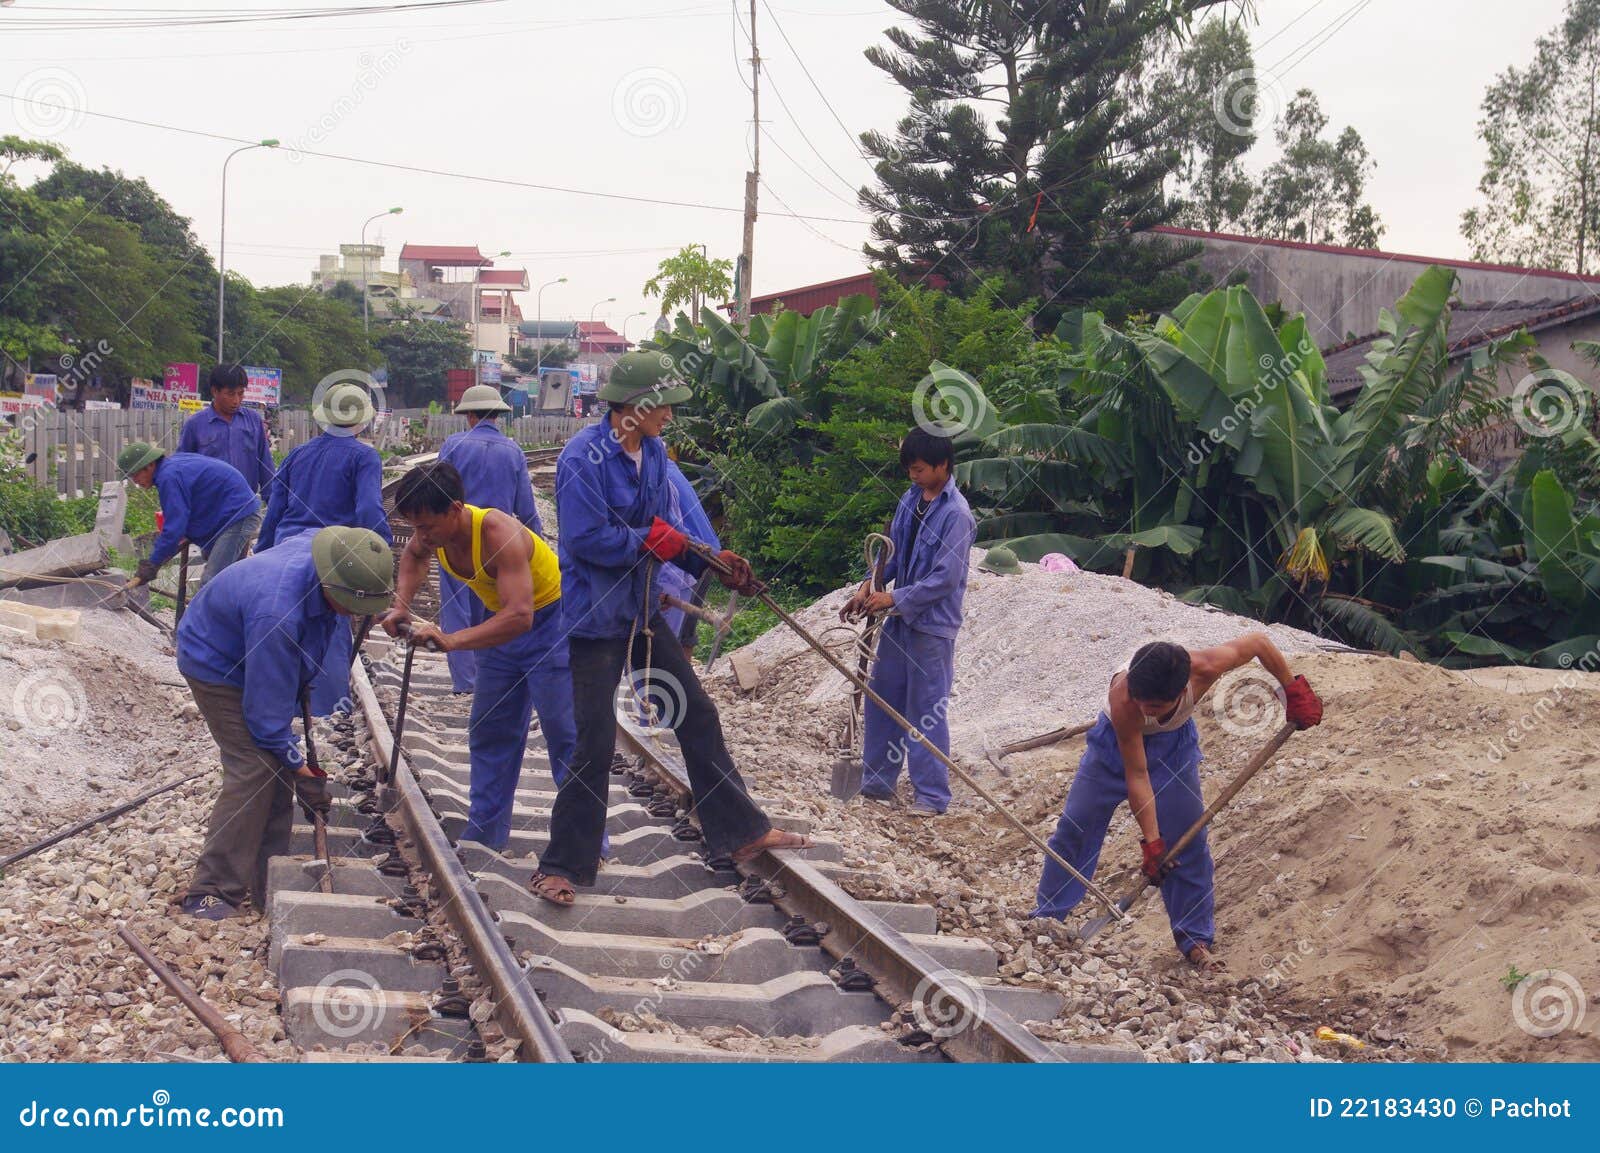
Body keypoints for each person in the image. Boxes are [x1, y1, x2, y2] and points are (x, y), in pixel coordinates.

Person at [529, 350, 808, 906]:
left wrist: (712, 561)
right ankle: (562, 864)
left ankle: (741, 832)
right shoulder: (583, 458)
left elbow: (665, 530)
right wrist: (655, 543)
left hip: (640, 609)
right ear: (634, 407)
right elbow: (586, 541)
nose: (670, 418)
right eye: (664, 408)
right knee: (595, 740)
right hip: (595, 618)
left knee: (696, 714)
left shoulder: (653, 454)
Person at [1031, 636, 1324, 971]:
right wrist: (1151, 843)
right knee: (1076, 826)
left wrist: (1293, 689)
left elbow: (1259, 644)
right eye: (1144, 704)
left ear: (1181, 690)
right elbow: (1138, 775)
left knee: (1188, 841)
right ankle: (1048, 918)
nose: (1147, 711)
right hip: (1113, 748)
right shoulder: (1124, 700)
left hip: (1174, 748)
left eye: (1155, 707)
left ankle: (1195, 939)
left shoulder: (1206, 668)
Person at [176, 526, 395, 919]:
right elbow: (266, 720)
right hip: (215, 662)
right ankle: (210, 892)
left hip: (247, 643)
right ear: (331, 587)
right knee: (255, 765)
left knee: (274, 766)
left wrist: (294, 766)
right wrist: (300, 769)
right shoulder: (277, 614)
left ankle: (266, 881)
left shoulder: (328, 553)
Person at [382, 461, 576, 851]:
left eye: (427, 526)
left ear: (455, 509)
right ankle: (485, 834)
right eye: (415, 527)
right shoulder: (433, 534)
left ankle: (583, 839)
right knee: (490, 729)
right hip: (502, 623)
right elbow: (415, 556)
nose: (421, 536)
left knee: (564, 733)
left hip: (552, 623)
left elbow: (522, 616)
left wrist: (452, 641)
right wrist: (401, 604)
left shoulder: (497, 532)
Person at [841, 427, 977, 817]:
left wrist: (894, 597)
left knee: (925, 709)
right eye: (909, 470)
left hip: (932, 626)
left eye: (919, 469)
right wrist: (869, 587)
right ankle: (877, 782)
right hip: (898, 620)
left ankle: (932, 797)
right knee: (883, 698)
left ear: (942, 465)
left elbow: (945, 577)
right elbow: (892, 556)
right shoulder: (910, 500)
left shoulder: (957, 516)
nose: (913, 476)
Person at [256, 382, 393, 715]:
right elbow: (368, 510)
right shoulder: (364, 456)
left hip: (286, 548)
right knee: (330, 629)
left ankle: (280, 704)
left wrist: (263, 552)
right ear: (363, 420)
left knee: (287, 624)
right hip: (333, 556)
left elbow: (275, 508)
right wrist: (381, 551)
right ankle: (328, 711)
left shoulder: (298, 453)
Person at [435, 383, 544, 694]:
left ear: (470, 415)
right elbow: (526, 508)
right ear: (497, 415)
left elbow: (439, 493)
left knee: (457, 608)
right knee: (496, 608)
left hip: (457, 539)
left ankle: (464, 683)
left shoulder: (454, 445)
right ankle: (489, 679)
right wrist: (535, 549)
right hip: (501, 543)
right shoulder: (513, 451)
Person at [117, 441, 260, 588]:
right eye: (131, 476)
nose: (135, 481)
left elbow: (174, 526)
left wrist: (153, 563)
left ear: (150, 465)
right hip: (227, 513)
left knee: (211, 582)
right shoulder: (172, 467)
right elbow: (185, 514)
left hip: (238, 515)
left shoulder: (169, 477)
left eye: (136, 474)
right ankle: (240, 607)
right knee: (231, 575)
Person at [179, 363, 275, 500]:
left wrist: (274, 507)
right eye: (230, 394)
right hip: (208, 507)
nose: (236, 400)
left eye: (240, 393)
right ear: (215, 391)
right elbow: (182, 469)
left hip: (245, 506)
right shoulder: (194, 425)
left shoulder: (253, 421)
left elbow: (266, 467)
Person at [657, 458, 719, 647]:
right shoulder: (665, 468)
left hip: (693, 561)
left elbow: (667, 530)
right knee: (680, 642)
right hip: (703, 557)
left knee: (671, 646)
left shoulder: (656, 476)